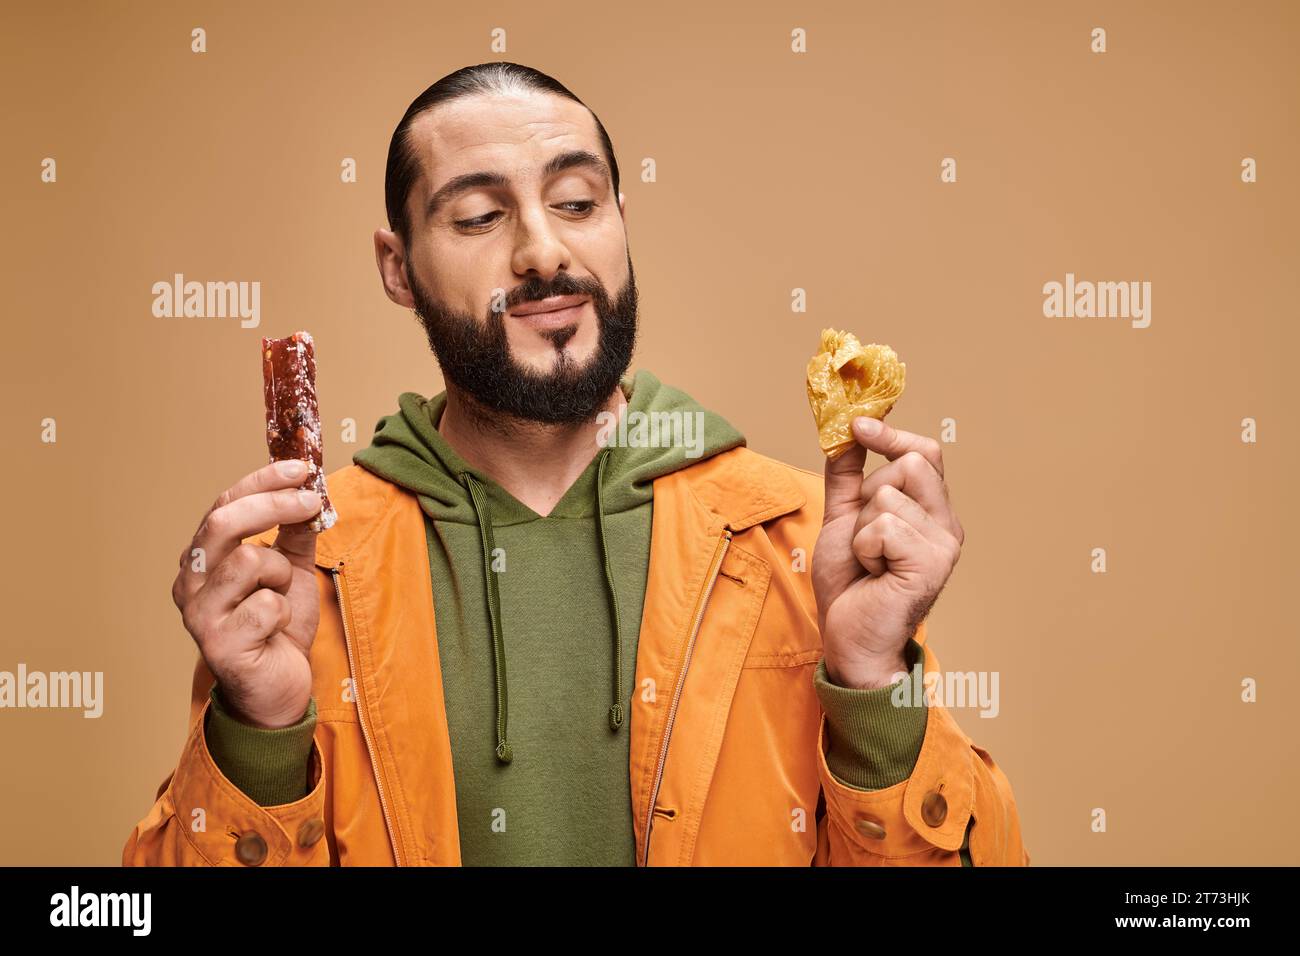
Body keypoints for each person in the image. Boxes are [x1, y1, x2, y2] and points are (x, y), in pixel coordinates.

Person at [123, 62, 1027, 867]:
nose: (545, 251)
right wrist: (261, 739)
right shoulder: (303, 574)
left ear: (621, 225)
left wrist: (872, 687)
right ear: (397, 269)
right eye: (478, 216)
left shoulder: (805, 543)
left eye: (578, 203)